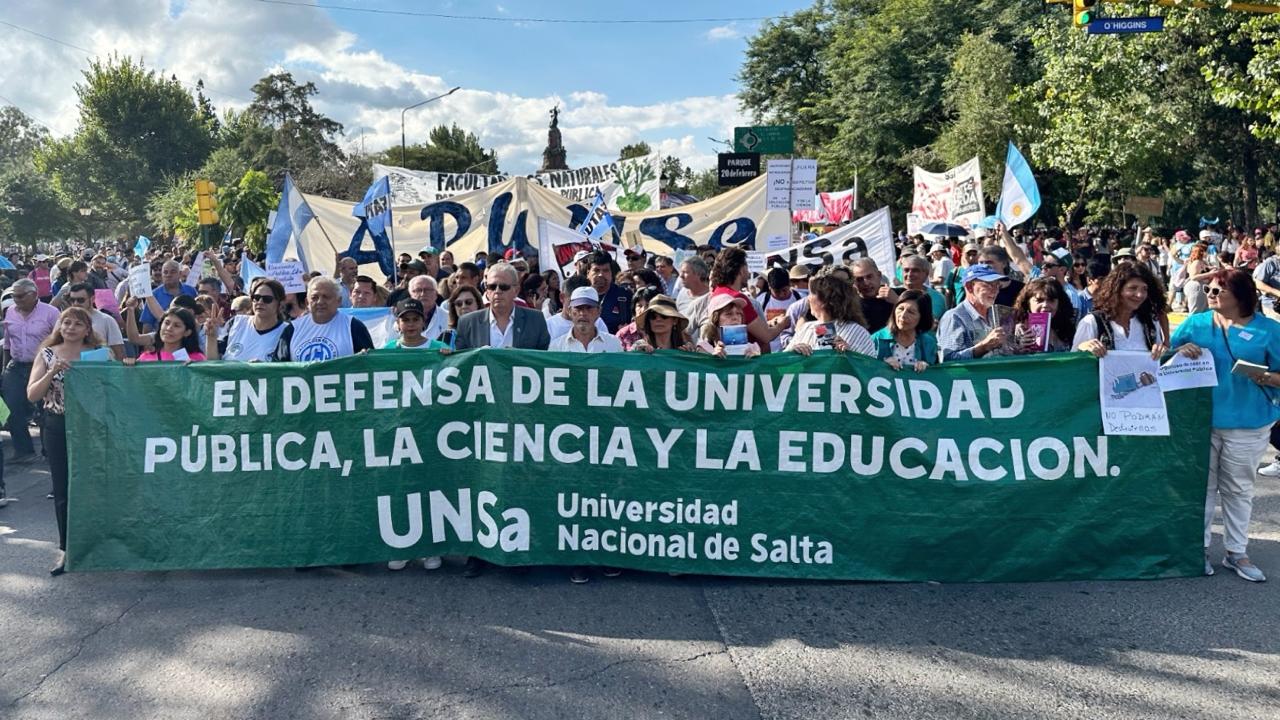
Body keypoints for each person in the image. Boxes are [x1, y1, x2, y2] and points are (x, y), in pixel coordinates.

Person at [1171, 269, 1280, 582]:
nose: (1211, 294)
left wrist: (1265, 377)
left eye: (1219, 290)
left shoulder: (1269, 330)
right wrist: (1179, 351)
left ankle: (1236, 552)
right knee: (1202, 489)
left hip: (1248, 422)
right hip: (1200, 420)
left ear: (1241, 295)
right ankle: (1199, 549)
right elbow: (1166, 359)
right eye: (1210, 290)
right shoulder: (1195, 323)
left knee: (1237, 489)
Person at [27, 307, 103, 575]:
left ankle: (98, 543)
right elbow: (32, 395)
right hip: (57, 425)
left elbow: (111, 389)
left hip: (90, 427)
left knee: (94, 484)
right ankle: (65, 549)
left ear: (87, 329)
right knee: (62, 488)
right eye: (66, 322)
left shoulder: (96, 355)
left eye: (77, 324)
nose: (70, 328)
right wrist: (52, 372)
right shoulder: (47, 354)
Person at [3, 278, 60, 464]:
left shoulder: (51, 313)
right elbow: (8, 341)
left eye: (20, 296)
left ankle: (48, 451)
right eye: (13, 296)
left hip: (43, 366)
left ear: (34, 295)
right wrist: (5, 368)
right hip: (16, 366)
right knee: (11, 409)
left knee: (45, 411)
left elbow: (60, 340)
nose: (16, 300)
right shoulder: (10, 311)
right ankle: (23, 449)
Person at [1073, 264, 1169, 360]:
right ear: (1117, 290)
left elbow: (1159, 363)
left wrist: (1167, 351)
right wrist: (1083, 347)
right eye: (1133, 288)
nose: (1140, 295)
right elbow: (1073, 363)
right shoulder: (1092, 322)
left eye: (1144, 289)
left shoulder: (1150, 323)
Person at [455, 262, 552, 354]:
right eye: (492, 287)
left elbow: (543, 360)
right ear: (487, 291)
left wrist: (519, 357)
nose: (497, 291)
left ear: (516, 290)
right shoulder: (467, 323)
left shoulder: (535, 320)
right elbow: (460, 360)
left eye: (504, 287)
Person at [708, 247, 789, 352]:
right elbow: (766, 336)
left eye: (738, 314)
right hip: (746, 362)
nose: (748, 271)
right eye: (746, 266)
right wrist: (784, 323)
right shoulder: (737, 298)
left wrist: (771, 323)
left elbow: (750, 326)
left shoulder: (717, 292)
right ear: (741, 270)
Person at [282, 277, 375, 361]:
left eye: (326, 297)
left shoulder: (354, 327)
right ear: (307, 302)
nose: (320, 302)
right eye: (314, 297)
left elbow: (370, 364)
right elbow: (278, 370)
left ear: (338, 301)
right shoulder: (292, 330)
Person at [786, 273, 876, 357]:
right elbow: (781, 363)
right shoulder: (805, 328)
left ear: (825, 300)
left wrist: (849, 354)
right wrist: (793, 352)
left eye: (812, 293)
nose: (808, 299)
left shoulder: (857, 332)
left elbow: (870, 367)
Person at [937, 264, 1012, 362]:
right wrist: (983, 347)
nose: (995, 291)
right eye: (988, 285)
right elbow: (948, 359)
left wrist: (1019, 345)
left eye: (997, 285)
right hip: (974, 377)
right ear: (969, 287)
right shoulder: (954, 317)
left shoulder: (997, 314)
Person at [219, 278, 293, 362]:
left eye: (267, 299)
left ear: (280, 304)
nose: (260, 302)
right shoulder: (235, 323)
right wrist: (211, 337)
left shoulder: (288, 331)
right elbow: (213, 366)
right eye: (256, 297)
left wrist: (263, 369)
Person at [870, 290, 937, 370]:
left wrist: (927, 368)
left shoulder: (929, 343)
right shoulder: (876, 339)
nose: (903, 316)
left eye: (911, 312)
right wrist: (881, 365)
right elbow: (864, 369)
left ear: (922, 317)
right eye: (900, 309)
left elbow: (937, 374)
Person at [1009, 279, 1077, 354]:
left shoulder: (1067, 328)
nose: (1045, 305)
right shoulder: (1015, 329)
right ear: (1028, 303)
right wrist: (1019, 350)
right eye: (1039, 300)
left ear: (1059, 303)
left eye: (1051, 300)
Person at [550, 287, 624, 354]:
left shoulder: (613, 344)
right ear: (569, 311)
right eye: (578, 308)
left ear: (599, 311)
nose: (583, 313)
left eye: (589, 308)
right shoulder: (556, 347)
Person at [63, 282, 125, 360]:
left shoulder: (107, 320)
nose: (75, 303)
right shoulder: (64, 321)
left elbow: (118, 352)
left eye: (80, 300)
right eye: (72, 300)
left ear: (92, 299)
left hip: (98, 368)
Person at [129, 307, 206, 362]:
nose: (169, 328)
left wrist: (193, 369)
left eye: (176, 325)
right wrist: (130, 366)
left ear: (187, 332)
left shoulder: (197, 359)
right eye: (167, 323)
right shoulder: (145, 358)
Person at [139, 260, 197, 331]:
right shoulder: (154, 295)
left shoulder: (191, 291)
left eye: (173, 272)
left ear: (180, 274)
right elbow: (147, 323)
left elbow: (198, 316)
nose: (168, 275)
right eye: (165, 272)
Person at [586, 251, 633, 333]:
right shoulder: (579, 297)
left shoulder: (625, 296)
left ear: (611, 273)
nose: (601, 274)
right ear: (588, 273)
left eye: (605, 270)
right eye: (596, 270)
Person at [628, 294, 694, 353]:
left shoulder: (686, 348)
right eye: (653, 316)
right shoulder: (639, 347)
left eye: (664, 315)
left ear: (675, 321)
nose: (658, 319)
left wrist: (689, 356)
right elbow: (627, 364)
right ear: (648, 321)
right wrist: (638, 354)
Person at [382, 298, 449, 352]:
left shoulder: (440, 348)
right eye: (406, 320)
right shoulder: (388, 349)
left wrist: (448, 357)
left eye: (416, 319)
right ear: (398, 323)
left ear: (423, 321)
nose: (411, 324)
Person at [849, 259, 895, 333]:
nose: (866, 283)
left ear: (879, 275)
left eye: (869, 277)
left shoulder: (901, 294)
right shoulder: (851, 307)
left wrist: (898, 302)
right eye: (859, 279)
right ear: (853, 282)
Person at [406, 275, 447, 342]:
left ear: (436, 294)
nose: (423, 294)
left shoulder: (448, 317)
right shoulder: (401, 319)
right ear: (411, 295)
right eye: (418, 290)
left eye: (428, 290)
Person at [675, 256, 711, 330]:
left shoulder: (711, 297)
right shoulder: (682, 292)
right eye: (681, 272)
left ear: (698, 274)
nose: (681, 276)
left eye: (685, 272)